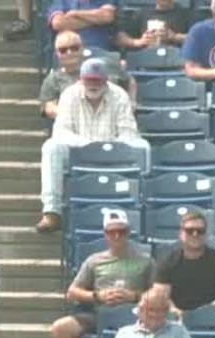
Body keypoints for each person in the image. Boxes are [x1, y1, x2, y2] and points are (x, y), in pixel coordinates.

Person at [35, 59, 149, 234]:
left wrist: (108, 147)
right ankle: (52, 212)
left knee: (143, 146)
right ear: (81, 80)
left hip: (114, 153)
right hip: (79, 152)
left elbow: (128, 133)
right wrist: (89, 146)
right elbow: (61, 132)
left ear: (106, 81)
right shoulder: (69, 95)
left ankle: (142, 208)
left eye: (97, 81)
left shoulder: (119, 95)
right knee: (51, 147)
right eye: (89, 80)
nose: (93, 85)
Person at [50, 209, 153, 338]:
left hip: (134, 315)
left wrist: (134, 296)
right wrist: (98, 296)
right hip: (99, 314)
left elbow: (158, 293)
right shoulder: (94, 261)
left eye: (121, 231)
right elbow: (72, 292)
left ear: (128, 232)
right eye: (112, 232)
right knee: (60, 328)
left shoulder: (145, 261)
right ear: (105, 234)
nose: (117, 236)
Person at [153, 208, 215, 311]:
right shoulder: (167, 261)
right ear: (181, 234)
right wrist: (176, 312)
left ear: (206, 234)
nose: (195, 234)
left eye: (200, 231)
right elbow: (161, 297)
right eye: (189, 230)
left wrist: (200, 315)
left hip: (210, 316)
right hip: (175, 317)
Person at [41, 31, 133, 120]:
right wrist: (74, 115)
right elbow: (49, 108)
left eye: (74, 48)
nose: (69, 53)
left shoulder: (105, 65)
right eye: (63, 50)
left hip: (111, 119)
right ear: (57, 54)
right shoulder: (53, 79)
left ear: (82, 49)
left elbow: (130, 81)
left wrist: (131, 102)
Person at [117, 0, 202, 49]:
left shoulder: (186, 14)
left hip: (178, 61)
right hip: (146, 60)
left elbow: (199, 38)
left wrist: (174, 37)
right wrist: (139, 42)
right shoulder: (142, 14)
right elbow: (119, 37)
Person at [46, 0, 119, 52]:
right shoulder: (63, 1)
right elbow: (58, 23)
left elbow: (107, 17)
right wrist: (96, 20)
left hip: (99, 53)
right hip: (69, 53)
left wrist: (75, 13)